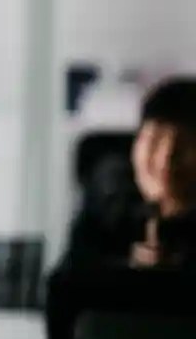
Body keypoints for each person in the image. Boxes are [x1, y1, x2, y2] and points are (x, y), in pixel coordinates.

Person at [62, 79, 196, 270]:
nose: (165, 159)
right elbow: (66, 287)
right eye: (154, 140)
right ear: (135, 145)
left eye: (184, 145)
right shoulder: (108, 202)